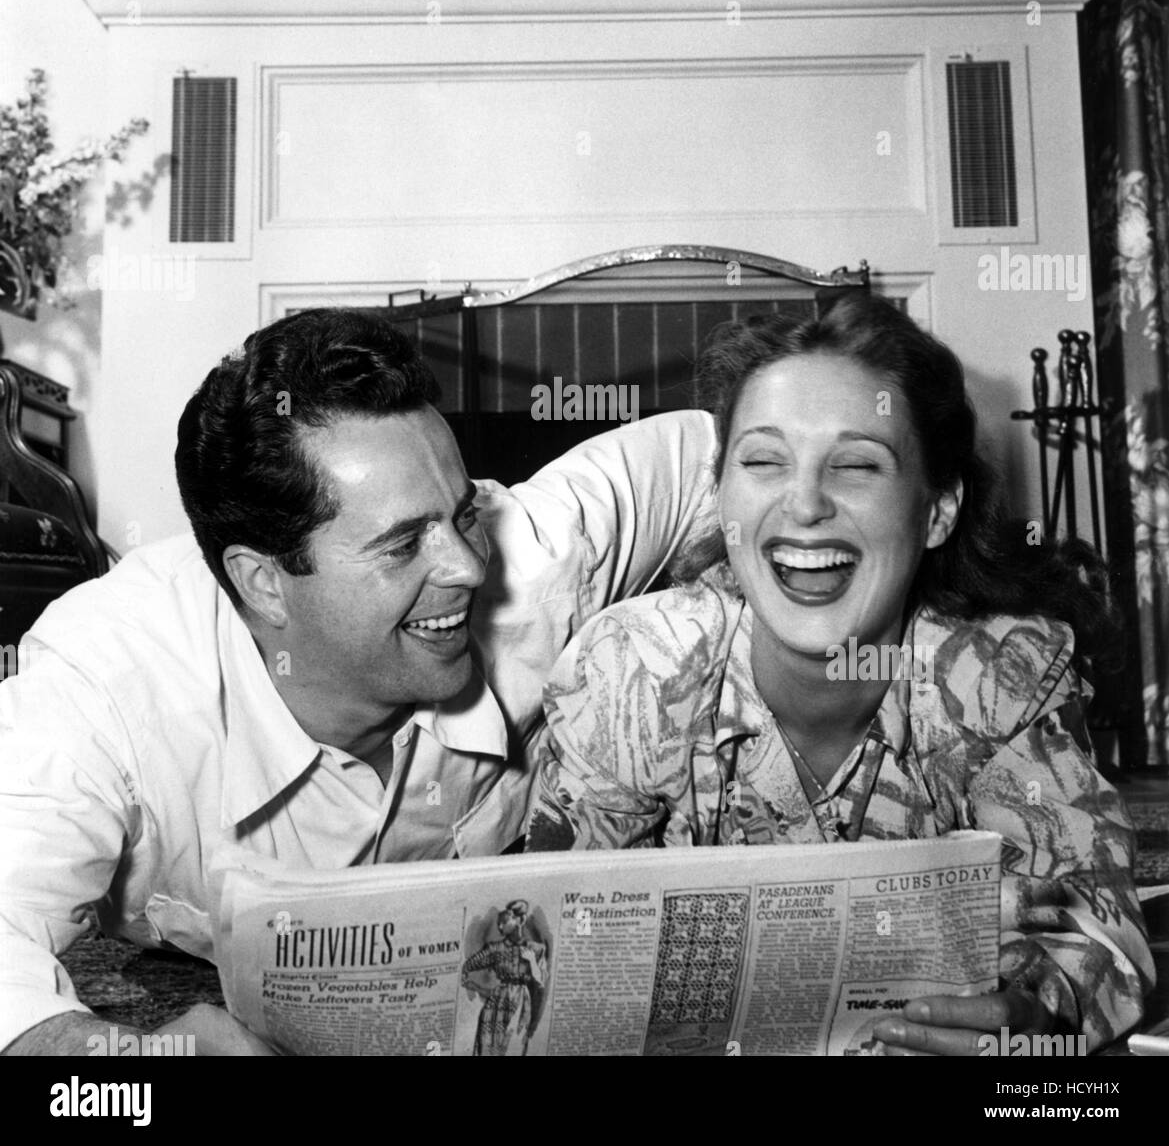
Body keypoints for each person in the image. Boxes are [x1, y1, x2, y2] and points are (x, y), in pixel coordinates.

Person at [0, 307, 715, 1055]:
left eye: (460, 516)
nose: (468, 568)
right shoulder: (105, 682)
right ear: (264, 583)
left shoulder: (534, 555)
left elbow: (718, 449)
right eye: (403, 543)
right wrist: (122, 1065)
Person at [527, 292, 1153, 1054]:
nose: (804, 503)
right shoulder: (630, 673)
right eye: (762, 461)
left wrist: (1035, 1015)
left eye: (855, 464)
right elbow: (551, 940)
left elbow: (1097, 921)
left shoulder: (995, 679)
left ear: (937, 511)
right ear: (720, 493)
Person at [461, 899, 547, 1056]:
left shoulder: (535, 949)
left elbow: (540, 981)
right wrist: (477, 987)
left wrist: (532, 961)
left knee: (514, 1045)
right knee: (489, 1048)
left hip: (520, 1003)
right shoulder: (495, 949)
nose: (500, 925)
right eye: (500, 921)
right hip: (496, 1005)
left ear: (521, 920)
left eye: (507, 920)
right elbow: (467, 967)